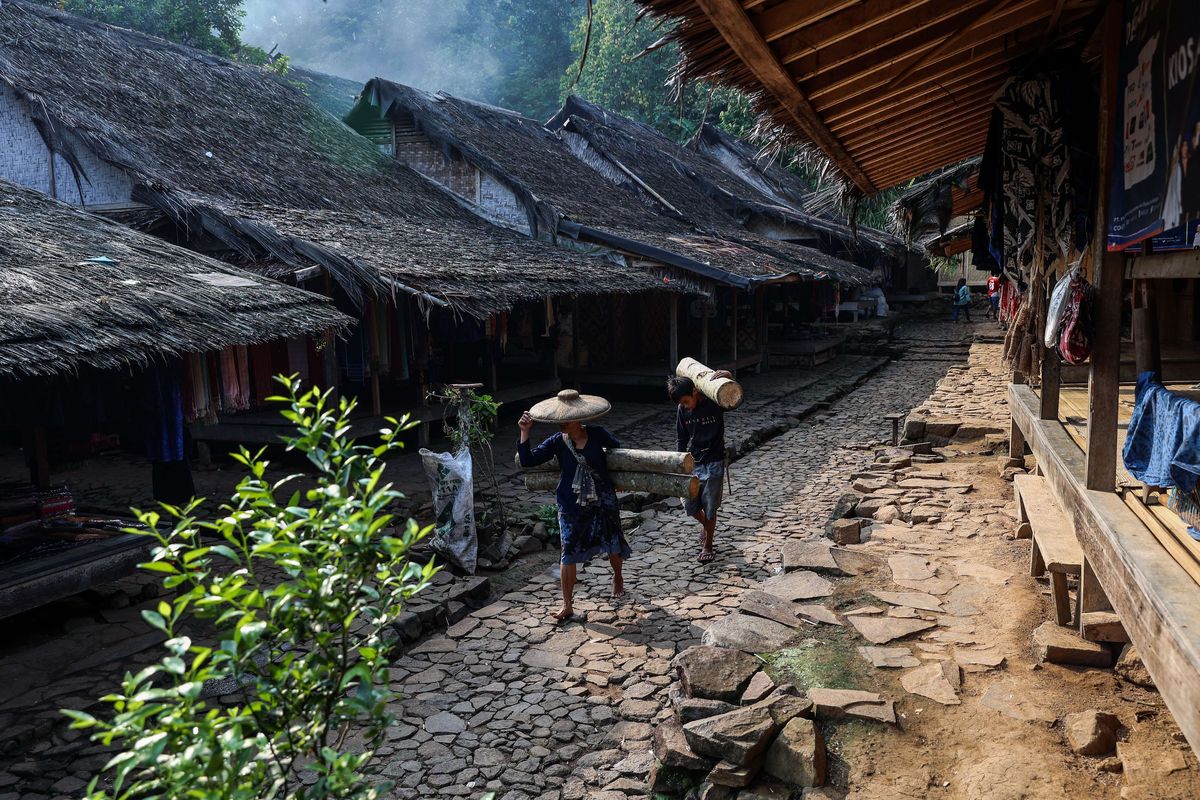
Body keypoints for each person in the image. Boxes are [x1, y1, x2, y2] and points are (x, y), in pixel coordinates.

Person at [518, 389, 631, 622]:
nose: (562, 424)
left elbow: (618, 453)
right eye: (560, 420)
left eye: (567, 420)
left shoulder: (598, 435)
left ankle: (617, 576)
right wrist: (524, 432)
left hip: (602, 499)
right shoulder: (557, 442)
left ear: (580, 419)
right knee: (567, 552)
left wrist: (617, 481)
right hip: (570, 503)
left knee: (612, 542)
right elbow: (528, 460)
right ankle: (567, 604)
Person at [667, 371, 733, 564]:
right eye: (681, 403)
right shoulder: (682, 410)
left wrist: (728, 376)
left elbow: (733, 397)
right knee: (690, 505)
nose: (685, 405)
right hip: (694, 461)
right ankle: (706, 526)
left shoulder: (714, 402)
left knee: (710, 506)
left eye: (686, 401)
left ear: (695, 392)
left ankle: (708, 545)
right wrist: (679, 462)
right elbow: (681, 437)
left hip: (714, 460)